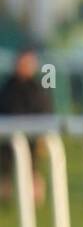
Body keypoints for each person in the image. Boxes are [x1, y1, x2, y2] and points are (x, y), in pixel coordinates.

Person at [0, 46, 54, 204]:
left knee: (31, 165)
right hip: (8, 137)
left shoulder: (40, 88)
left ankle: (33, 190)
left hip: (32, 137)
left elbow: (45, 111)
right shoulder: (8, 87)